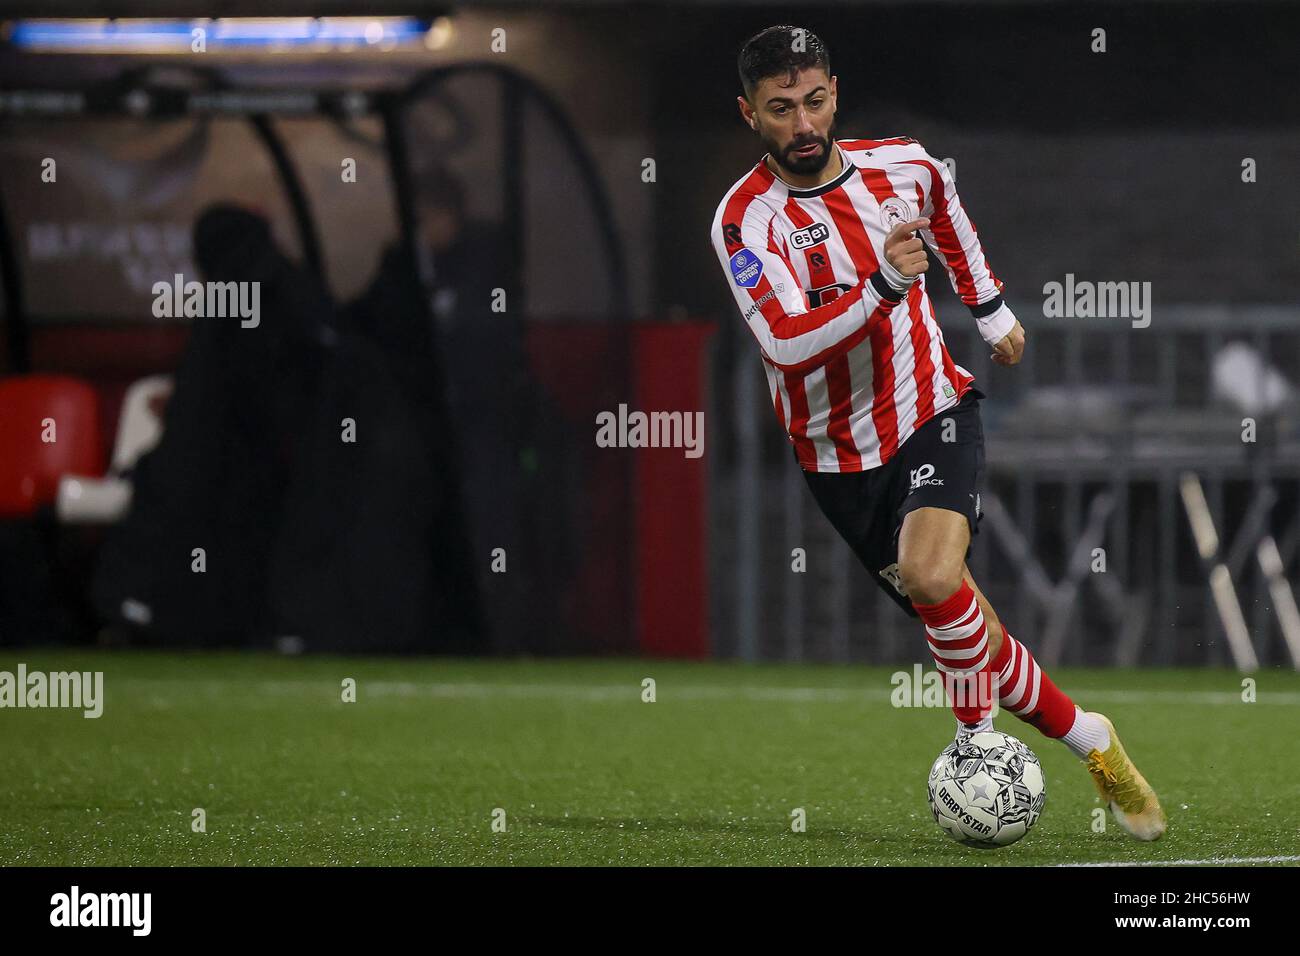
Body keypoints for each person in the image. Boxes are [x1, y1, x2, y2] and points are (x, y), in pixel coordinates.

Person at [710, 25, 1165, 840]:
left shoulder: (904, 165)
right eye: (781, 109)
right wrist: (883, 283)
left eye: (814, 101)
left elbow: (946, 213)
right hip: (838, 457)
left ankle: (973, 746)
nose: (803, 123)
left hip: (933, 409)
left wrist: (989, 309)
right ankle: (1089, 738)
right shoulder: (745, 220)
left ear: (835, 93)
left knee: (928, 574)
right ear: (751, 113)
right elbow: (784, 341)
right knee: (968, 621)